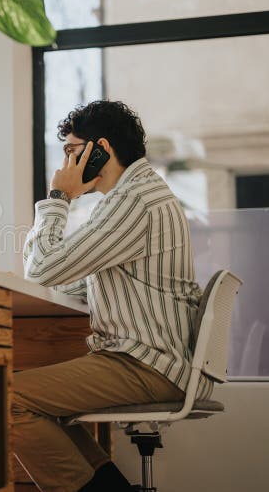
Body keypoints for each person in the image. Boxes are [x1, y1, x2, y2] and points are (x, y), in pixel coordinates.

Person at [16, 100, 212, 492]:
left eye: (72, 152)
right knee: (29, 401)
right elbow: (61, 277)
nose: (65, 166)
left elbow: (41, 270)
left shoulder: (133, 202)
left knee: (6, 399)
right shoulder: (135, 196)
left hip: (146, 363)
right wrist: (53, 262)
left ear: (100, 149)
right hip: (151, 358)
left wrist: (58, 196)